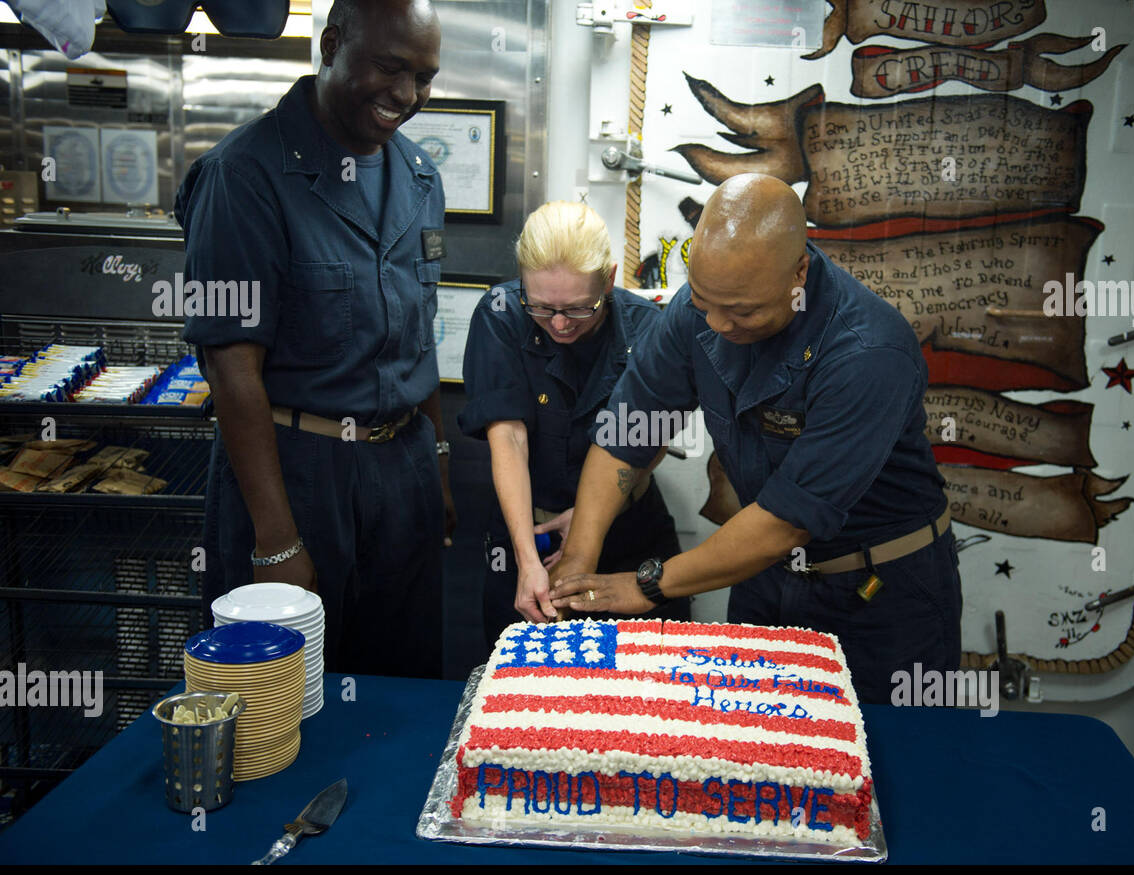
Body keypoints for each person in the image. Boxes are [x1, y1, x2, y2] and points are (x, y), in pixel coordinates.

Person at [548, 173, 962, 705]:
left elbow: (785, 522)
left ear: (799, 272)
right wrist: (579, 562)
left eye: (743, 311)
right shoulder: (700, 308)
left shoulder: (868, 353)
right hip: (763, 576)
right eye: (703, 301)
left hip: (878, 595)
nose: (717, 324)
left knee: (881, 768)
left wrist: (645, 583)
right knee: (751, 753)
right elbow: (627, 435)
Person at [176, 0, 454, 678]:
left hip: (403, 468)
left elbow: (421, 334)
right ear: (332, 45)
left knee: (403, 680)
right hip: (298, 472)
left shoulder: (419, 175)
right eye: (390, 68)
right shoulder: (243, 175)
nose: (406, 96)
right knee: (282, 689)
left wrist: (437, 462)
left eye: (424, 77)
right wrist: (275, 540)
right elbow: (231, 366)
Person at [459, 201, 690, 652]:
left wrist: (591, 519)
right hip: (530, 532)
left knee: (645, 688)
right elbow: (507, 436)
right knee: (525, 689)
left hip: (630, 531)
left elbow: (652, 438)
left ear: (608, 278)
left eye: (580, 309)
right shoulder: (501, 314)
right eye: (542, 308)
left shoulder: (648, 329)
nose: (560, 324)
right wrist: (528, 560)